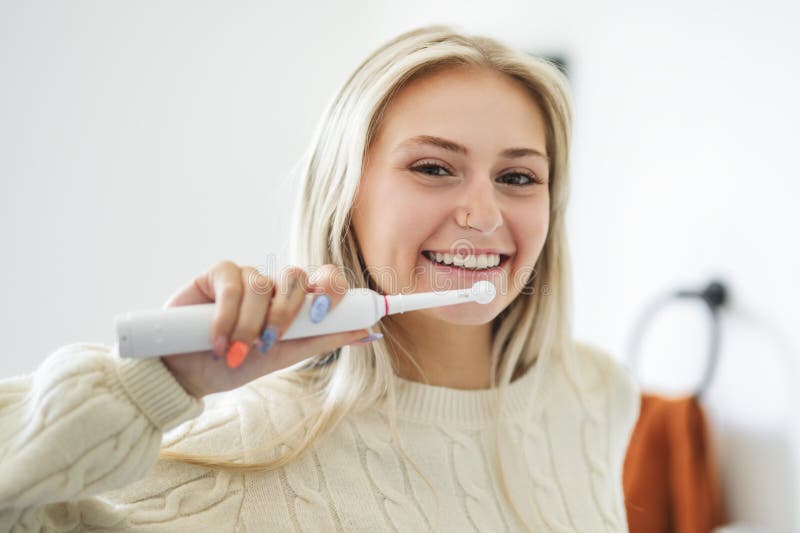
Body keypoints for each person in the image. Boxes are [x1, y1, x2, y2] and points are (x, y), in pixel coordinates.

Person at [0, 24, 640, 532]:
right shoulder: (245, 455)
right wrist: (146, 388)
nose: (484, 214)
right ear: (345, 195)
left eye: (518, 177)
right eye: (433, 168)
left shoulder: (597, 392)